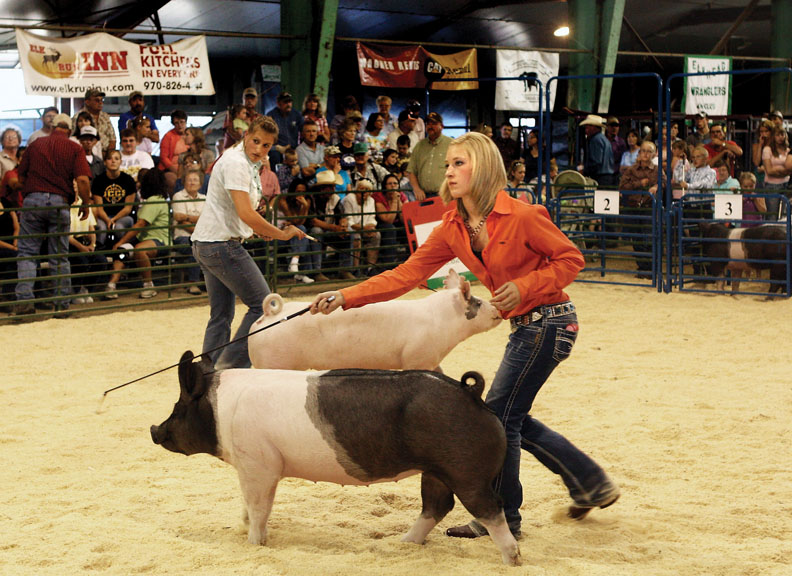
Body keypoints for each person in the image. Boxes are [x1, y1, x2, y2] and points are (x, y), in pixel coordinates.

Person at [310, 131, 619, 538]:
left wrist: (525, 286)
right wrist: (347, 296)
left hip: (551, 320)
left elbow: (571, 259)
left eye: (459, 163)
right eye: (448, 165)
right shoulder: (452, 226)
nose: (449, 172)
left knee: (499, 418)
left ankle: (505, 517)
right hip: (528, 326)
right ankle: (589, 482)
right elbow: (407, 274)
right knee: (508, 415)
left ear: (484, 167)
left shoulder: (524, 215)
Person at [190, 116, 305, 369]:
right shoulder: (236, 163)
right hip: (221, 245)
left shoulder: (242, 160)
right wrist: (280, 233)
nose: (259, 149)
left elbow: (237, 212)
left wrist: (255, 230)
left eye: (266, 145)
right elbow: (245, 213)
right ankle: (229, 367)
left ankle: (207, 373)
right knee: (264, 305)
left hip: (207, 243)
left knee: (221, 315)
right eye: (255, 141)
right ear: (246, 136)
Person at [13, 113, 92, 317]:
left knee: (27, 253)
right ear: (70, 130)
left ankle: (24, 302)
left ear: (52, 127)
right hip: (59, 202)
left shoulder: (35, 144)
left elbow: (21, 177)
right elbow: (83, 180)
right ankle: (61, 305)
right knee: (59, 256)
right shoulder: (75, 148)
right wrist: (86, 204)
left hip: (33, 201)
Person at [112, 168, 172, 299]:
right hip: (143, 239)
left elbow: (140, 224)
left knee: (140, 250)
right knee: (122, 251)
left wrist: (120, 241)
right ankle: (111, 285)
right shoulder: (152, 200)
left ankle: (148, 285)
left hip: (159, 240)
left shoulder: (155, 200)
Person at [619, 141, 664, 277]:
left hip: (649, 208)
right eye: (643, 151)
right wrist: (639, 183)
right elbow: (622, 186)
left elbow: (665, 182)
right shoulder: (631, 170)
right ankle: (642, 268)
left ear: (654, 154)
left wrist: (656, 186)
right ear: (639, 153)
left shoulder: (657, 169)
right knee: (637, 239)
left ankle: (652, 268)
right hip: (633, 207)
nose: (645, 154)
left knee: (650, 238)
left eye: (649, 151)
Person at [307, 170, 355, 280]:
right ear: (321, 188)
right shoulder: (311, 198)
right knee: (316, 231)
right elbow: (313, 221)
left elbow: (342, 215)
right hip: (313, 232)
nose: (332, 190)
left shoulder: (335, 198)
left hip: (330, 231)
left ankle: (345, 270)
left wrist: (343, 226)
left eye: (333, 187)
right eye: (329, 187)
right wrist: (335, 228)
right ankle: (317, 272)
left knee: (349, 233)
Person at [275, 178, 319, 283]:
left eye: (303, 192)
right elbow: (295, 221)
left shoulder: (306, 201)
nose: (300, 195)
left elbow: (300, 222)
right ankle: (296, 266)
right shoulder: (283, 200)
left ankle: (298, 268)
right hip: (278, 232)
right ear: (292, 191)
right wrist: (305, 207)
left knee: (303, 234)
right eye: (298, 191)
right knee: (301, 231)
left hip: (293, 233)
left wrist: (305, 206)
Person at [92, 149, 137, 250]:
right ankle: (100, 251)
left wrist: (113, 219)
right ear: (105, 162)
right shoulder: (98, 181)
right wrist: (107, 220)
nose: (113, 161)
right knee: (101, 228)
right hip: (103, 216)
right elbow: (99, 208)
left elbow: (127, 208)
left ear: (120, 162)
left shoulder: (128, 180)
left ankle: (120, 251)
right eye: (109, 159)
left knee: (118, 227)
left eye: (116, 159)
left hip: (123, 216)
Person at [171, 170, 205, 294]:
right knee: (194, 246)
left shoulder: (205, 199)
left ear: (200, 184)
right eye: (189, 180)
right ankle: (193, 283)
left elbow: (207, 219)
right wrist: (199, 222)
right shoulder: (178, 196)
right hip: (182, 237)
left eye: (195, 180)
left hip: (202, 235)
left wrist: (187, 217)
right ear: (184, 182)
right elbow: (181, 223)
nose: (192, 183)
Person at [406, 112, 452, 201]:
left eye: (434, 123)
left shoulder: (452, 144)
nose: (430, 126)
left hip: (445, 195)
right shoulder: (419, 146)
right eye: (428, 123)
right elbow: (411, 171)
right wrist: (416, 189)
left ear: (442, 126)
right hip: (423, 197)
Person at [342, 178, 381, 276]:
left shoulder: (371, 200)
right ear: (356, 190)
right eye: (361, 189)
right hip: (352, 229)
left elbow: (372, 219)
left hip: (364, 228)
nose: (364, 192)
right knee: (356, 237)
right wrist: (363, 228)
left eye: (367, 190)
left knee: (376, 235)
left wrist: (371, 228)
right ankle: (355, 270)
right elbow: (348, 220)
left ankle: (370, 268)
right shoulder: (349, 199)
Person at [372, 172, 406, 264]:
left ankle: (410, 260)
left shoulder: (401, 195)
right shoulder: (378, 196)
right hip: (381, 224)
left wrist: (398, 201)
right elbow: (388, 220)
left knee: (408, 227)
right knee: (390, 229)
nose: (393, 186)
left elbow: (404, 219)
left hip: (397, 222)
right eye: (390, 184)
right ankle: (389, 263)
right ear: (385, 186)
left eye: (395, 183)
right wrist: (394, 201)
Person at [73, 88, 116, 153]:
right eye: (97, 100)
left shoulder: (105, 116)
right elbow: (74, 139)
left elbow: (112, 139)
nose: (100, 103)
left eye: (102, 100)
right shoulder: (78, 117)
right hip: (85, 153)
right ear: (87, 102)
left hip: (106, 153)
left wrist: (108, 154)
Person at [761, 125, 789, 221]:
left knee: (785, 215)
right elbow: (769, 171)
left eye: (782, 134)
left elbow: (790, 169)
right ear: (773, 136)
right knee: (772, 215)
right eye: (777, 135)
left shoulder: (788, 150)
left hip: (786, 184)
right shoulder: (767, 150)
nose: (780, 137)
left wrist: (779, 171)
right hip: (771, 186)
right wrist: (784, 172)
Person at [579, 114, 616, 187]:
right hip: (607, 177)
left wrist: (584, 169)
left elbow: (596, 162)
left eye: (587, 126)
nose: (586, 129)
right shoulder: (603, 139)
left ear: (593, 127)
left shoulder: (595, 140)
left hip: (600, 178)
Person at [158, 110, 189, 188]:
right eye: (176, 123)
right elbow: (163, 157)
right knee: (173, 181)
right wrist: (175, 170)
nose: (179, 125)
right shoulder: (168, 136)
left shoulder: (191, 135)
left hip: (189, 168)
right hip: (170, 169)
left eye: (182, 122)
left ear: (186, 122)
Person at [268, 91, 303, 159]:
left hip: (293, 148)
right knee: (274, 155)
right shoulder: (271, 115)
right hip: (278, 148)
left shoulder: (297, 115)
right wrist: (276, 147)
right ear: (278, 104)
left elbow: (303, 132)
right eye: (285, 102)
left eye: (290, 102)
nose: (288, 104)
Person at [751, 119, 773, 184]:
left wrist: (765, 168)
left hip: (771, 176)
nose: (764, 134)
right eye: (761, 131)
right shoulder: (756, 146)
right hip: (759, 177)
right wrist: (760, 145)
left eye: (766, 131)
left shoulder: (775, 145)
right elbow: (756, 162)